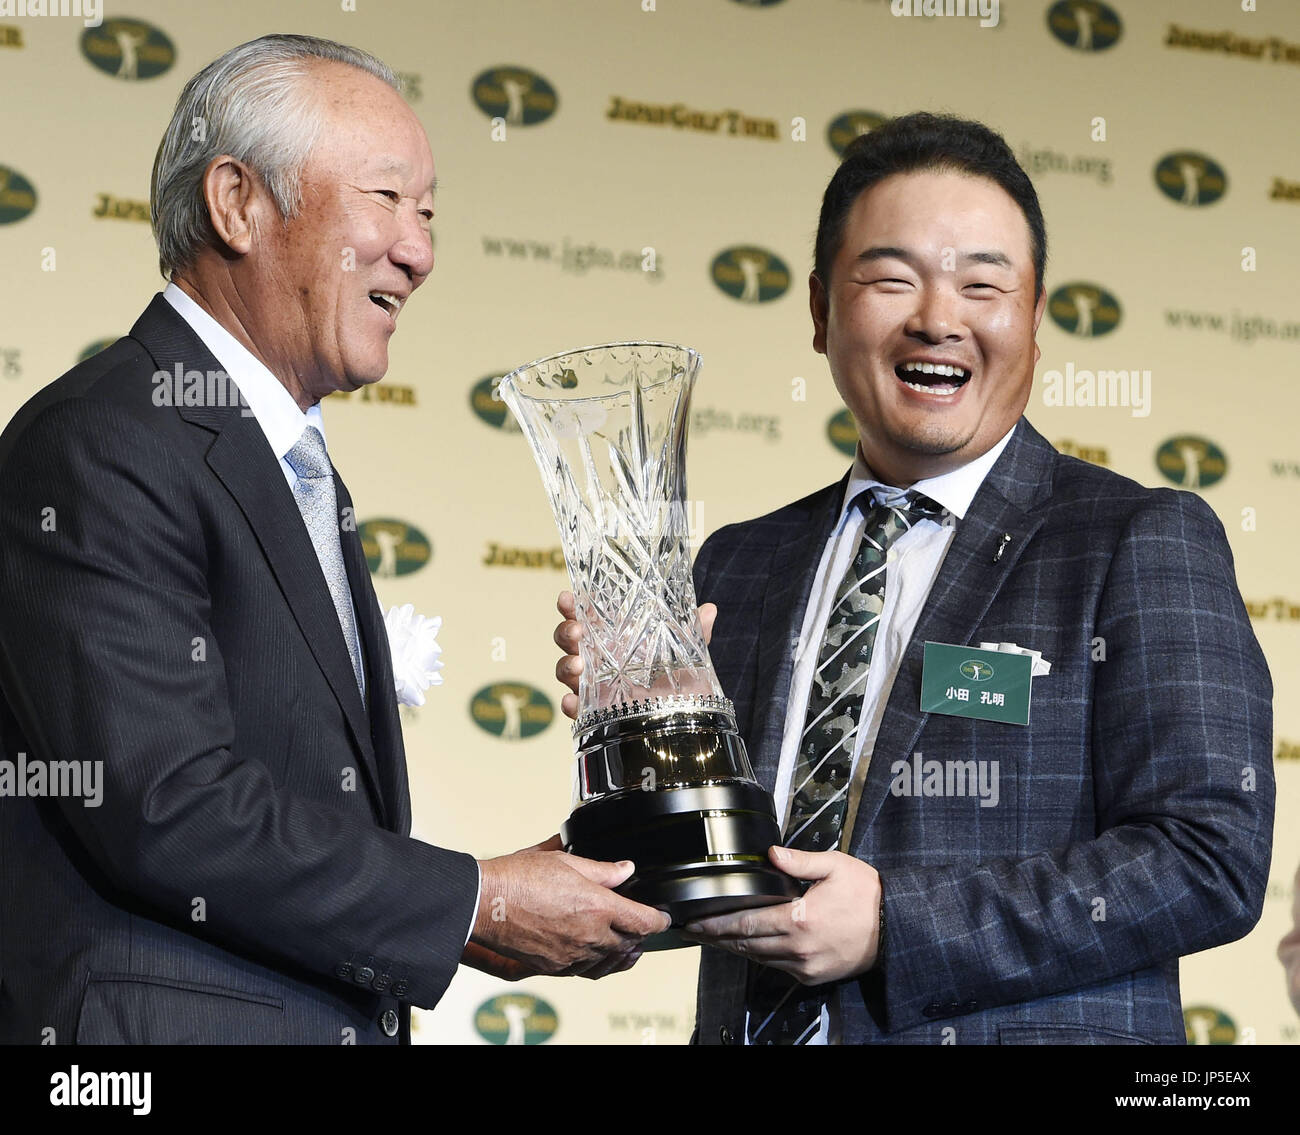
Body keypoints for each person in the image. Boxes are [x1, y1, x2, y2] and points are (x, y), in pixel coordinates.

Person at [0, 34, 667, 1047]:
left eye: (429, 213)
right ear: (236, 202)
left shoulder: (288, 464)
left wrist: (489, 896)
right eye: (388, 200)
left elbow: (283, 816)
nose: (419, 249)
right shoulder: (106, 438)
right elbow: (167, 805)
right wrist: (473, 902)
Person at [555, 113, 1274, 1045]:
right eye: (892, 279)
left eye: (983, 283)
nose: (939, 317)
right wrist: (640, 742)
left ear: (1035, 316)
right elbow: (712, 877)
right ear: (819, 310)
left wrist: (897, 924)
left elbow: (1207, 858)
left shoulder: (1136, 538)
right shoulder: (741, 561)